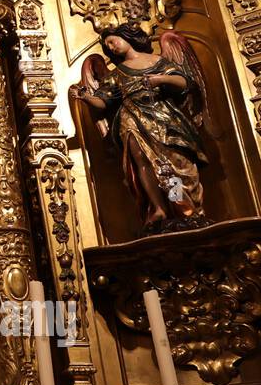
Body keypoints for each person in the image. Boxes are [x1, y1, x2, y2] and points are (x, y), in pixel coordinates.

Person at [70, 24, 209, 232]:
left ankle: (182, 208)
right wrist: (85, 97)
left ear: (127, 37)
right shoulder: (116, 74)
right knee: (141, 159)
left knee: (170, 162)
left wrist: (160, 79)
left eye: (113, 40)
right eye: (107, 45)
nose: (111, 47)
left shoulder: (157, 61)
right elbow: (104, 102)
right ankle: (159, 207)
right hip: (132, 117)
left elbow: (184, 82)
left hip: (163, 117)